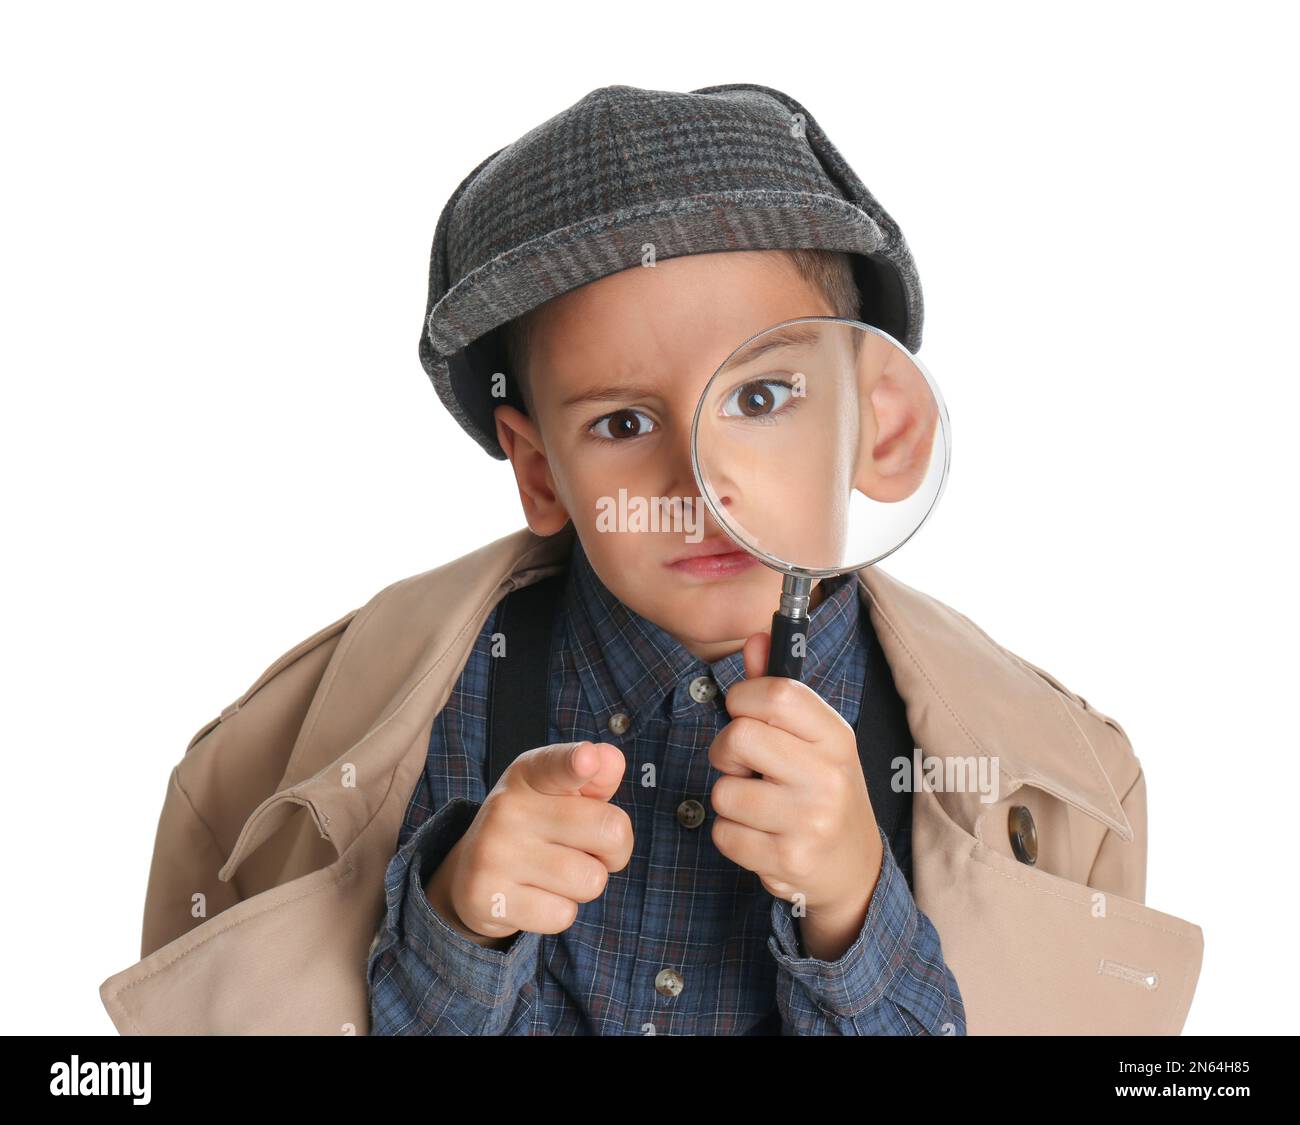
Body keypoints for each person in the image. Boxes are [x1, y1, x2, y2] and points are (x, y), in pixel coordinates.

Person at [99, 83, 1204, 1037]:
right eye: (624, 424)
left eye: (762, 398)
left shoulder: (1063, 791)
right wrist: (453, 929)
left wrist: (856, 911)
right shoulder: (299, 762)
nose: (701, 483)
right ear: (538, 473)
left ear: (878, 427)